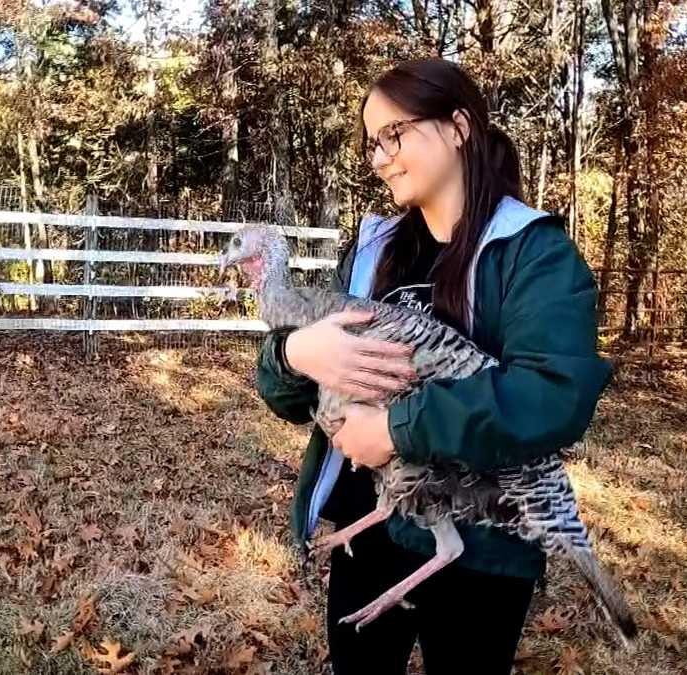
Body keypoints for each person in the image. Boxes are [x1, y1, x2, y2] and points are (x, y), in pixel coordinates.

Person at [253, 58, 612, 675]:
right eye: (371, 143)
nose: (379, 156)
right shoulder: (372, 251)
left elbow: (550, 396)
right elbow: (286, 394)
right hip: (369, 531)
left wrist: (394, 431)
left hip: (481, 548)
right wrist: (296, 354)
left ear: (459, 127)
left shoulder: (533, 253)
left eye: (394, 133)